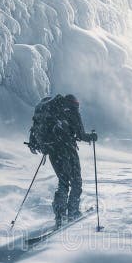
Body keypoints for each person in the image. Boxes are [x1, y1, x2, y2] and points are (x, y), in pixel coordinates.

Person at [27, 94, 97, 227]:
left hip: (53, 151)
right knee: (76, 180)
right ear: (75, 103)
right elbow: (81, 134)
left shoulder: (51, 111)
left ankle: (60, 216)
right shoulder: (71, 110)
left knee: (63, 182)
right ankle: (73, 212)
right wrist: (92, 137)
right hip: (67, 150)